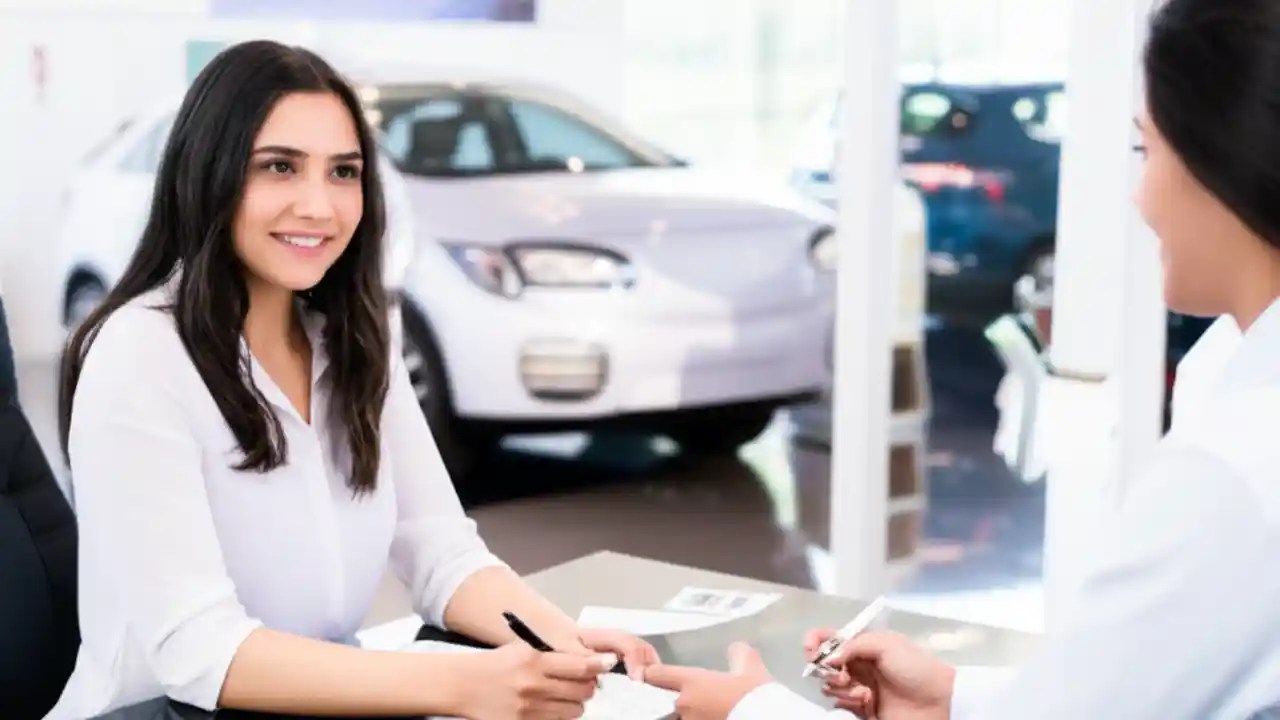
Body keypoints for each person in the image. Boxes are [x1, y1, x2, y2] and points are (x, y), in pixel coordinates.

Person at [644, 0, 1280, 717]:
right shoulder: (1234, 378)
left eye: (1148, 151)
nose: (1139, 197)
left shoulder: (1235, 470)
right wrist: (951, 700)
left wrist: (753, 710)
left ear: (1226, 158)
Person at [49, 40, 657, 719]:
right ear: (207, 175)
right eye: (280, 167)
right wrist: (469, 689)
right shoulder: (137, 353)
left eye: (344, 173)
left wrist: (564, 646)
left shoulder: (351, 342)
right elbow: (200, 651)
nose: (321, 205)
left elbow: (442, 553)